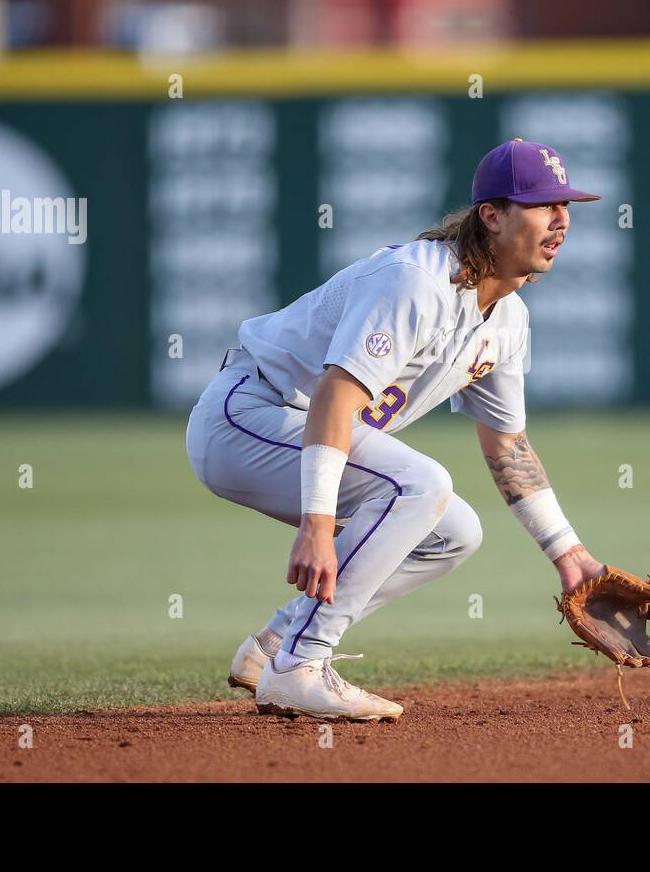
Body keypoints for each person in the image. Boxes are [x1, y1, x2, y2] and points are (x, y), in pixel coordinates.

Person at [186, 138, 607, 721]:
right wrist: (318, 524)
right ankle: (301, 665)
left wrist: (570, 555)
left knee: (455, 531)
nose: (560, 219)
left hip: (299, 427)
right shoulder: (417, 281)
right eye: (542, 204)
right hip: (247, 414)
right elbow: (334, 396)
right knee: (420, 484)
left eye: (567, 205)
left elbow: (508, 447)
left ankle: (279, 645)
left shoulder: (507, 318)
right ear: (491, 215)